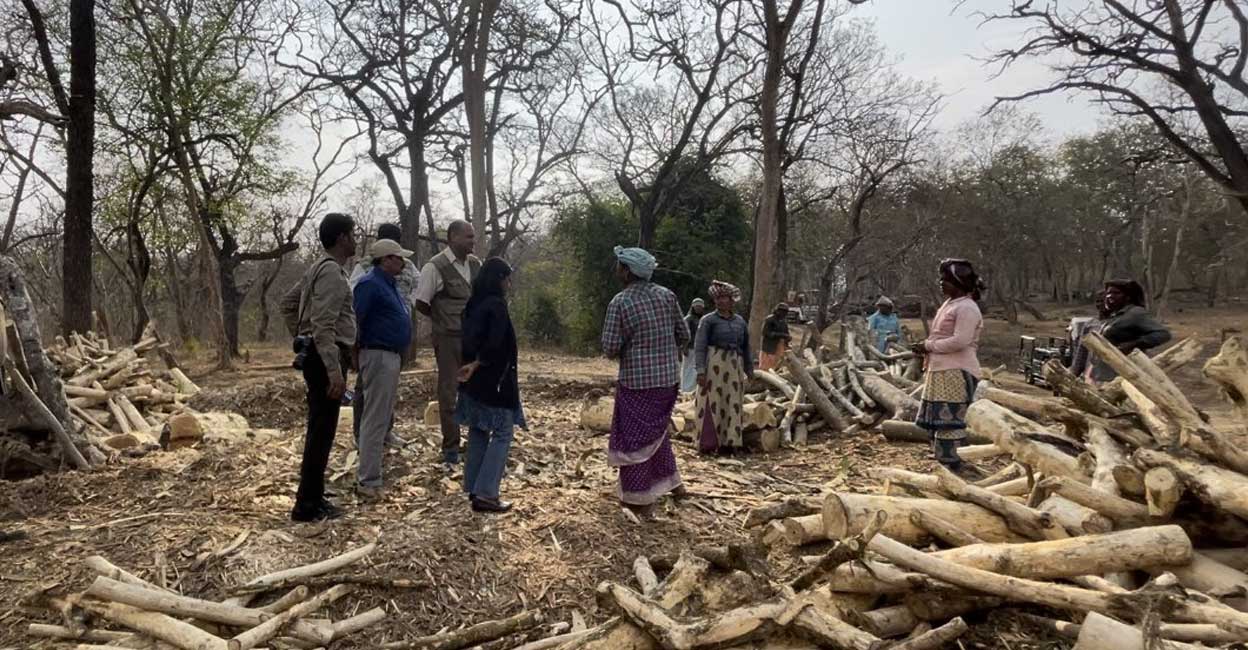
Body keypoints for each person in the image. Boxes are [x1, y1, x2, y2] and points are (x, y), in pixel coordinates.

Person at [278, 213, 357, 522]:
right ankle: (307, 505)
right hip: (327, 358)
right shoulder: (332, 273)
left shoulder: (316, 268)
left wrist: (302, 339)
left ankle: (312, 495)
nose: (355, 240)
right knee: (321, 432)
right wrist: (333, 370)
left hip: (318, 355)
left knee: (320, 430)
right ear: (341, 238)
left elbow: (288, 304)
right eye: (352, 234)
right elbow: (324, 324)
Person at [601, 246, 689, 518]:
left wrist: (633, 347)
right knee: (656, 431)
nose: (617, 270)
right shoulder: (667, 296)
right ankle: (672, 483)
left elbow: (610, 347)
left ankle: (639, 497)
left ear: (628, 271)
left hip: (637, 382)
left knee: (634, 438)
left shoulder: (620, 302)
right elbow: (684, 334)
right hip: (668, 380)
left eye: (619, 266)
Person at [455, 258, 525, 514]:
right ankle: (487, 493)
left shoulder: (473, 303)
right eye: (506, 278)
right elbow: (495, 344)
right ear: (498, 279)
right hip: (495, 380)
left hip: (474, 382)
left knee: (479, 429)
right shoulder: (496, 306)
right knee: (503, 431)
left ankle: (475, 487)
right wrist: (480, 363)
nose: (509, 283)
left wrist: (470, 365)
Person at [414, 221, 481, 469]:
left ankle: (476, 444)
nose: (473, 241)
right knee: (449, 392)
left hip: (473, 338)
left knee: (476, 391)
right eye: (468, 237)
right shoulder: (435, 267)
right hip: (448, 338)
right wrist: (442, 320)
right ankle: (451, 447)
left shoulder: (475, 264)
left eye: (473, 237)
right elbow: (421, 302)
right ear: (453, 237)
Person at [351, 238, 414, 501]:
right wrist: (355, 354)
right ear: (386, 260)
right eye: (398, 258)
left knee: (381, 414)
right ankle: (368, 480)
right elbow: (356, 321)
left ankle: (372, 475)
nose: (403, 262)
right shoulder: (369, 285)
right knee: (375, 418)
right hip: (377, 354)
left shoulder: (389, 284)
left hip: (390, 355)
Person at [911, 259, 985, 476]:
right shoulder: (950, 304)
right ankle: (943, 460)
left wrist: (928, 346)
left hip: (956, 370)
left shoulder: (967, 308)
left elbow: (960, 341)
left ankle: (954, 465)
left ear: (958, 282)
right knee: (939, 419)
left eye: (945, 280)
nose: (941, 283)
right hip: (942, 369)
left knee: (950, 420)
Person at [694, 281, 752, 455]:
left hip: (734, 366)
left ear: (732, 300)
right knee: (711, 401)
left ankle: (730, 443)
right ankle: (709, 444)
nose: (720, 301)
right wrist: (701, 371)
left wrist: (749, 369)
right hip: (714, 365)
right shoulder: (708, 320)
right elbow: (700, 346)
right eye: (718, 298)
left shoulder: (740, 322)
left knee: (733, 402)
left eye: (724, 298)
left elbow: (746, 347)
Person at [1083, 279, 1172, 383]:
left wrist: (1133, 345)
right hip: (1101, 374)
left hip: (1122, 375)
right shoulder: (1114, 315)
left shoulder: (1135, 313)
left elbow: (1163, 334)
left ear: (1128, 296)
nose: (1110, 296)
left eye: (1116, 293)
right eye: (1108, 293)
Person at [1068, 291, 1111, 380]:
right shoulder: (1090, 324)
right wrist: (1072, 375)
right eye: (1098, 301)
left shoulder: (1117, 324)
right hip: (1090, 374)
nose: (1100, 304)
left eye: (1103, 301)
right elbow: (1081, 354)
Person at [680, 299, 706, 392]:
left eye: (700, 306)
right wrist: (684, 347)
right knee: (688, 369)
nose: (698, 308)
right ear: (693, 307)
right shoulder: (688, 319)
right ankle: (686, 389)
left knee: (698, 370)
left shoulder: (704, 319)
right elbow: (683, 334)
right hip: (690, 349)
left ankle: (695, 389)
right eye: (697, 306)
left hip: (700, 349)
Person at [758, 302, 791, 371]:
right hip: (769, 347)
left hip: (779, 347)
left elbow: (786, 333)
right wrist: (781, 335)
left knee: (776, 366)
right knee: (765, 366)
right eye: (782, 311)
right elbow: (766, 333)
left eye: (785, 312)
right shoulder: (770, 319)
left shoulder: (783, 322)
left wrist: (788, 338)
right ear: (778, 311)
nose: (784, 314)